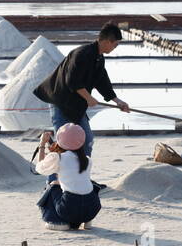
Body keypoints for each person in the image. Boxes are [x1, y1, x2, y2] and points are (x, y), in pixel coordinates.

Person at [33, 22, 131, 157]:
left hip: (77, 105)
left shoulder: (99, 58)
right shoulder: (82, 54)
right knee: (63, 143)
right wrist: (88, 98)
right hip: (61, 102)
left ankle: (81, 176)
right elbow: (72, 81)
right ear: (108, 41)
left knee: (86, 140)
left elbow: (102, 82)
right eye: (116, 44)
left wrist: (117, 101)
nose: (115, 47)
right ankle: (52, 178)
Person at [35, 123, 101, 231]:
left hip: (69, 207)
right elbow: (74, 179)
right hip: (92, 208)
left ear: (59, 140)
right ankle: (87, 221)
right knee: (89, 185)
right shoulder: (87, 160)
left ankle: (58, 223)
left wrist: (42, 143)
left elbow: (39, 168)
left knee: (52, 187)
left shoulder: (58, 158)